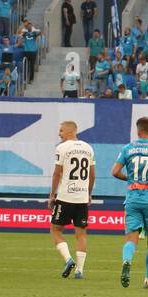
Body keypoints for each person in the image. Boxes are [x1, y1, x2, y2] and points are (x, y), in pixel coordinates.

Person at [111, 116, 148, 289]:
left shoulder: (128, 148)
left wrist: (129, 179)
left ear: (137, 131)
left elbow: (114, 171)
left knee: (131, 237)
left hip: (132, 197)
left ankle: (127, 261)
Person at [48, 120, 95, 279]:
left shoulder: (62, 148)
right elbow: (92, 174)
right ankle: (80, 270)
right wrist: (88, 193)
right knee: (81, 234)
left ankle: (68, 259)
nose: (59, 133)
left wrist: (51, 195)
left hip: (65, 197)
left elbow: (57, 173)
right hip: (82, 198)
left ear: (69, 131)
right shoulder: (88, 148)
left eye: (61, 131)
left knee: (55, 230)